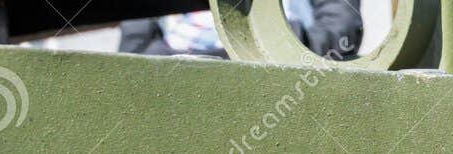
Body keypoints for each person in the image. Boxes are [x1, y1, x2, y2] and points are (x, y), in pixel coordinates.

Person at [118, 1, 363, 60]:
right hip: (174, 62)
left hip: (282, 63)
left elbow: (342, 26)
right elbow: (134, 44)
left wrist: (295, 47)